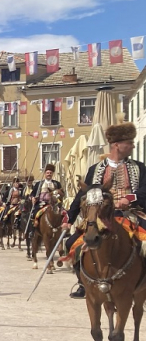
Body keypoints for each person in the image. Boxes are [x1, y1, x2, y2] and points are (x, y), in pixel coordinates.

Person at [63, 122, 145, 298]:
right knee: (72, 244)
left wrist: (128, 198)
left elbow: (144, 192)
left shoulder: (139, 167)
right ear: (117, 145)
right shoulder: (96, 169)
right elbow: (81, 196)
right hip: (100, 216)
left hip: (130, 214)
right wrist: (69, 219)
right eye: (129, 142)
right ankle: (83, 283)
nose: (133, 145)